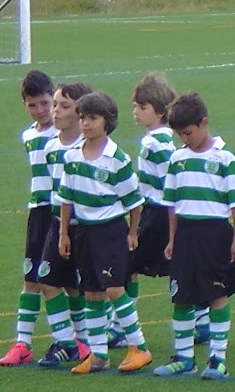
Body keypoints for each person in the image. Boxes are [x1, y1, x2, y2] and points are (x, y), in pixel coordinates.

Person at [55, 92, 152, 374]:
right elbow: (66, 198)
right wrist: (63, 234)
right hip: (83, 233)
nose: (85, 123)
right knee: (92, 293)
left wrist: (132, 233)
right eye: (83, 117)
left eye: (93, 118)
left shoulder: (116, 159)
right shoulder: (72, 156)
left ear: (107, 122)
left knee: (113, 289)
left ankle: (140, 347)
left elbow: (134, 202)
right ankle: (98, 355)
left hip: (110, 231)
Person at [152, 92, 235, 380]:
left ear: (204, 123)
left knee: (216, 294)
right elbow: (172, 204)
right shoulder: (177, 160)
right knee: (181, 296)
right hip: (186, 235)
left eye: (188, 133)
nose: (184, 139)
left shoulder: (225, 159)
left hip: (215, 233)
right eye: (180, 134)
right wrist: (171, 238)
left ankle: (218, 358)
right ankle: (184, 357)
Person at [34, 82, 93, 368]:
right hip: (60, 223)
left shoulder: (88, 148)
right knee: (47, 280)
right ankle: (67, 342)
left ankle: (89, 340)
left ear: (81, 113)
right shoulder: (51, 147)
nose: (55, 111)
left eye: (64, 106)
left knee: (81, 287)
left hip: (88, 226)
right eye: (55, 104)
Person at [0, 70, 55, 367]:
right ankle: (23, 343)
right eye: (33, 105)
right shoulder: (30, 135)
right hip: (38, 212)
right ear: (24, 105)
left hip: (61, 211)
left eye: (45, 103)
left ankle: (78, 340)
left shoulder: (62, 135)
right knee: (30, 278)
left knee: (64, 281)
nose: (40, 110)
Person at [126, 73, 182, 346]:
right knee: (177, 267)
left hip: (155, 213)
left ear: (160, 112)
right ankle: (202, 321)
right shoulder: (163, 139)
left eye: (142, 107)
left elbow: (166, 180)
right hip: (163, 212)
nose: (135, 112)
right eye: (135, 106)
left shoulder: (154, 143)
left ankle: (121, 325)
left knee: (125, 265)